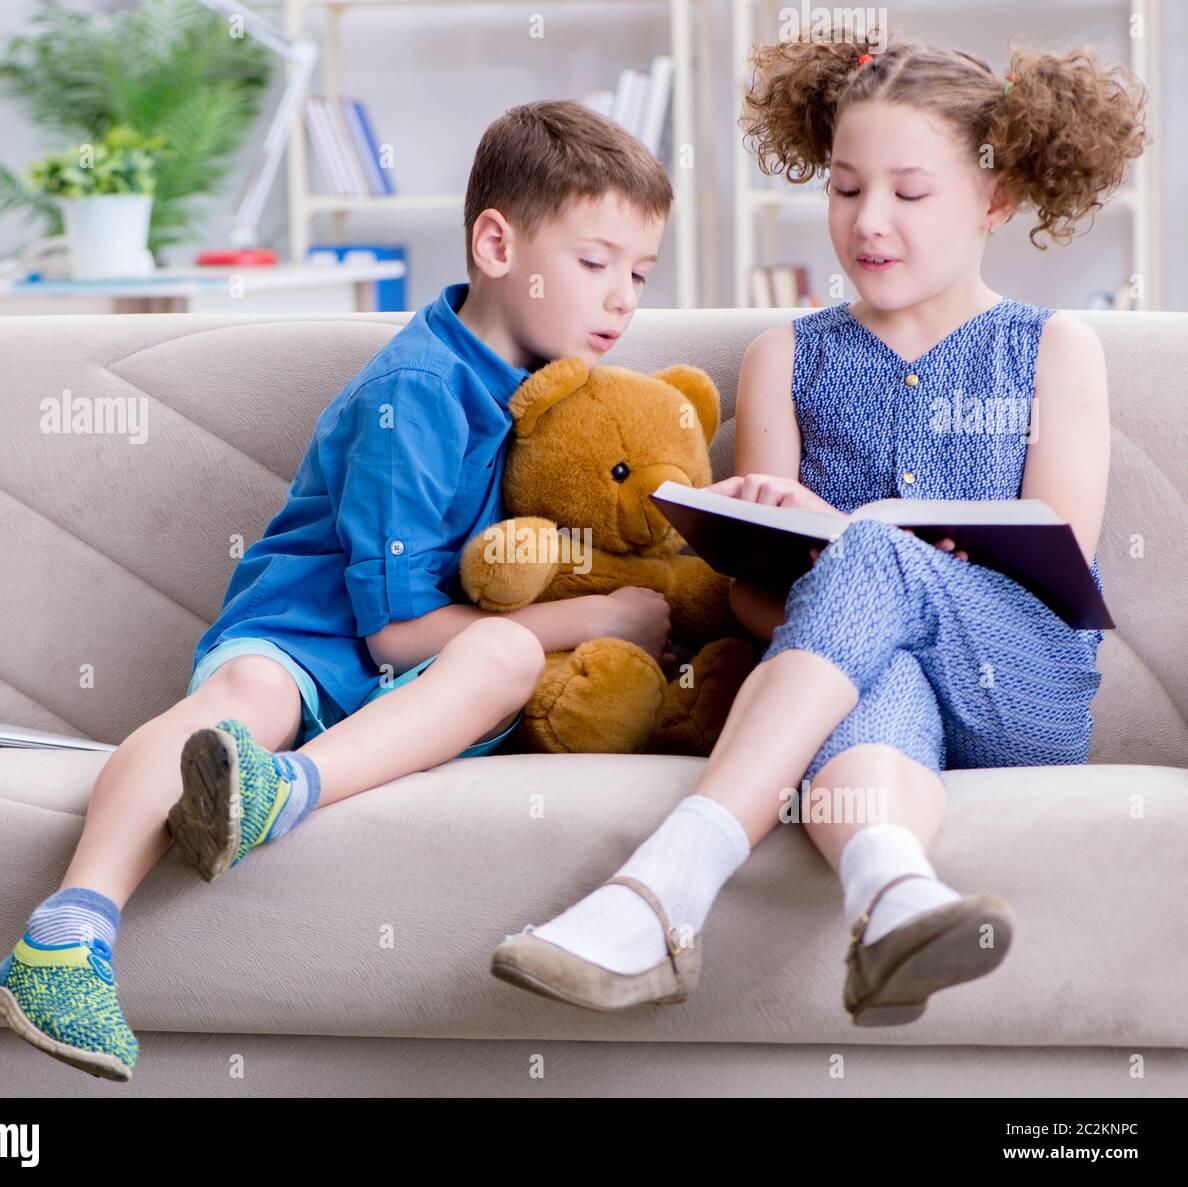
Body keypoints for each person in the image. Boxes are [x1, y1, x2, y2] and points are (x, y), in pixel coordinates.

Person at [0, 99, 674, 1080]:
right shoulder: (422, 387)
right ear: (494, 242)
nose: (622, 300)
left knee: (511, 654)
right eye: (596, 263)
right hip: (313, 634)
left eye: (640, 274)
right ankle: (67, 929)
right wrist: (602, 615)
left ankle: (281, 789)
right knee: (244, 702)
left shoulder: (557, 391)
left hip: (408, 681)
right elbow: (393, 637)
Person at [491, 29, 1146, 1025]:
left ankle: (667, 882)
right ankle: (894, 900)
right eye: (844, 189)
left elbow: (1053, 565)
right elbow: (755, 592)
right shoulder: (783, 357)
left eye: (909, 193)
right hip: (853, 684)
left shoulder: (1054, 348)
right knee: (868, 663)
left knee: (870, 548)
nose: (868, 221)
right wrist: (819, 558)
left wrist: (848, 537)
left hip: (1019, 685)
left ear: (995, 197)